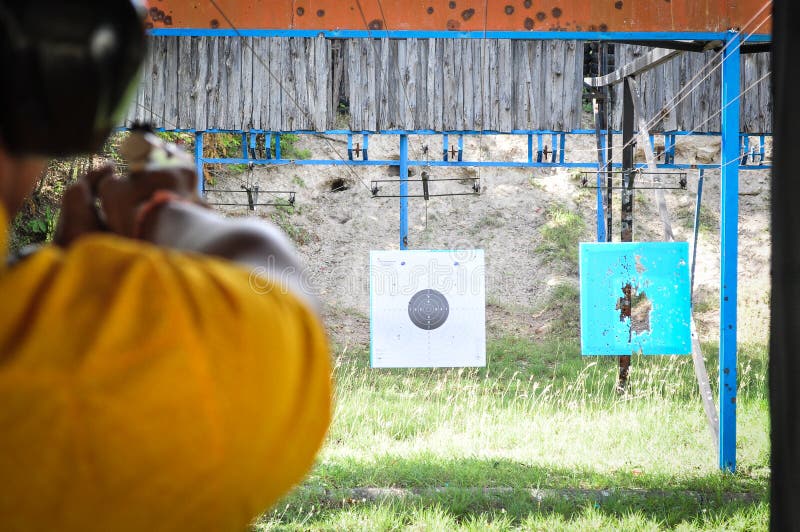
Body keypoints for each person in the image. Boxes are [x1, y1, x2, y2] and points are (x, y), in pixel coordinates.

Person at [0, 1, 332, 530]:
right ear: (69, 88)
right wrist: (167, 208)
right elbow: (277, 281)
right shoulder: (66, 373)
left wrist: (70, 276)